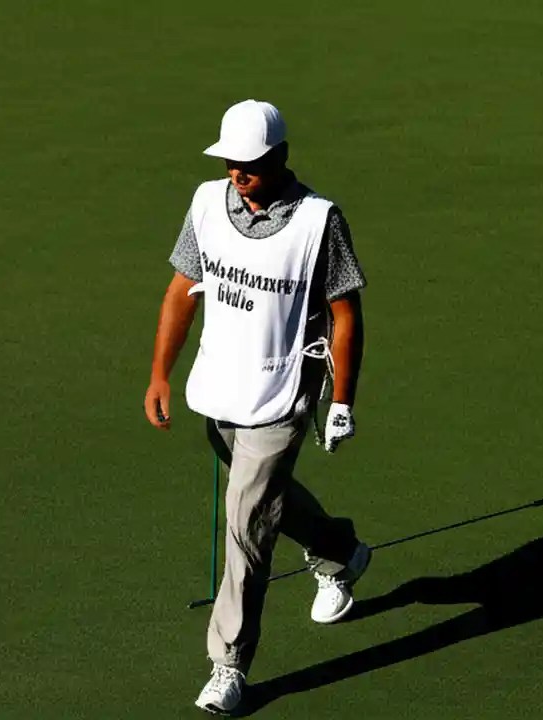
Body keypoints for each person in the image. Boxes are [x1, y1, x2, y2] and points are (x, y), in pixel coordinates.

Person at [143, 99, 372, 715]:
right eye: (228, 161)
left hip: (281, 392)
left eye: (247, 163)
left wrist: (343, 401)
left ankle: (229, 664)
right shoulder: (205, 204)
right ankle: (339, 552)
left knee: (246, 519)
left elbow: (346, 314)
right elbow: (179, 293)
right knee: (265, 500)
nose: (236, 173)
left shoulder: (320, 221)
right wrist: (159, 374)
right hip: (219, 388)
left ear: (279, 157)